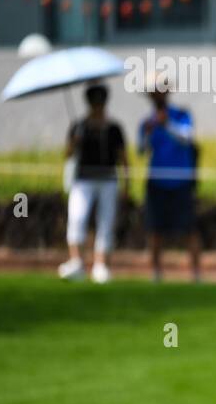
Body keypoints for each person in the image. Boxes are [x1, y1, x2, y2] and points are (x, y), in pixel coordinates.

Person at [58, 83, 129, 284]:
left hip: (108, 180)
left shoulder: (114, 128)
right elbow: (67, 155)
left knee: (105, 222)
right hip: (83, 180)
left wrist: (126, 185)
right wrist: (75, 141)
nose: (97, 105)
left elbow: (123, 158)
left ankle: (101, 265)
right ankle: (76, 262)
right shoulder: (78, 127)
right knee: (77, 218)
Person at [138, 75, 201, 282]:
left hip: (181, 181)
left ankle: (195, 274)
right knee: (154, 229)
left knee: (189, 229)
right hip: (157, 181)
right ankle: (156, 273)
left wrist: (167, 125)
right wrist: (147, 134)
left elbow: (187, 138)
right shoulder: (146, 122)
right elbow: (141, 151)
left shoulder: (182, 115)